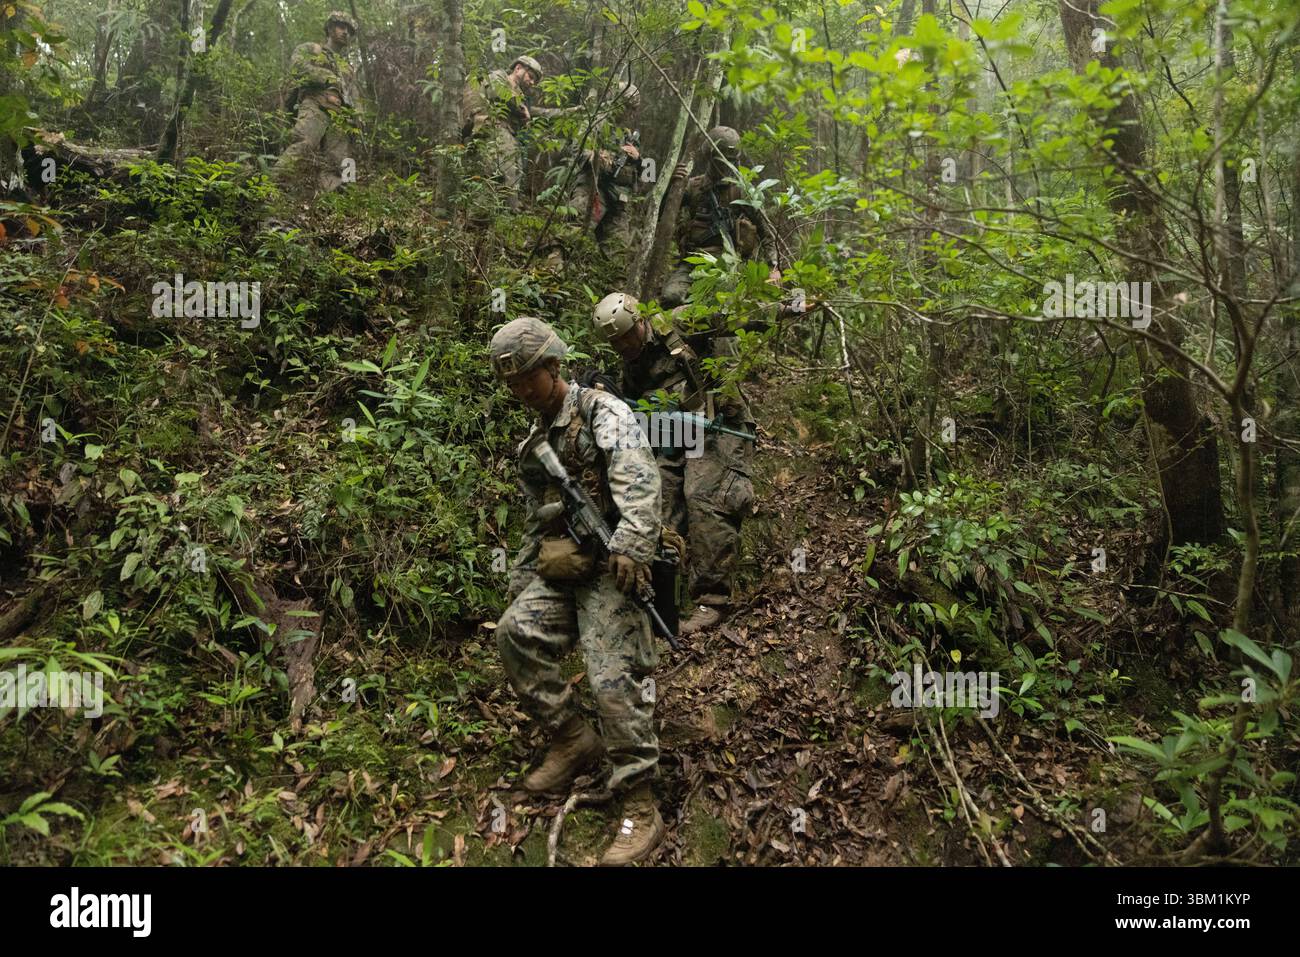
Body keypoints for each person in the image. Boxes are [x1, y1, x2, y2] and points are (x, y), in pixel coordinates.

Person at [490, 316, 667, 865]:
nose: (522, 390)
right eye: (513, 383)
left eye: (528, 378)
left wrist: (632, 547)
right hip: (565, 567)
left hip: (615, 565)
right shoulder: (534, 443)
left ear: (552, 366)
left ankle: (639, 799)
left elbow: (639, 480)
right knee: (515, 633)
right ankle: (572, 737)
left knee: (610, 674)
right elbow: (533, 523)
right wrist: (521, 583)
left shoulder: (601, 411)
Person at [590, 292, 758, 636]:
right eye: (616, 344)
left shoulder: (680, 321)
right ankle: (663, 600)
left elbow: (737, 314)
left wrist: (788, 304)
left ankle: (711, 600)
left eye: (628, 337)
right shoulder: (629, 361)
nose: (624, 347)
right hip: (674, 432)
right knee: (656, 505)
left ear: (641, 322)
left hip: (717, 422)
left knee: (704, 496)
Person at [660, 125, 780, 308]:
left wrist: (773, 266)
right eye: (721, 160)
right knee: (670, 299)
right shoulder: (693, 186)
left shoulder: (743, 191)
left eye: (730, 160)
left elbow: (767, 232)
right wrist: (670, 186)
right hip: (692, 263)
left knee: (727, 312)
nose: (726, 165)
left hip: (729, 267)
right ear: (709, 157)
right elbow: (661, 214)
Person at [462, 54, 574, 209]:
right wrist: (522, 111)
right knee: (502, 174)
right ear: (518, 68)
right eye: (531, 76)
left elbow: (542, 113)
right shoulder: (497, 77)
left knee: (512, 175)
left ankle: (502, 216)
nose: (532, 82)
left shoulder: (520, 96)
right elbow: (497, 92)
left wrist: (572, 112)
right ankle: (488, 217)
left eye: (534, 80)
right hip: (493, 130)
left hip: (506, 135)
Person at [272, 12, 360, 195]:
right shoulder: (312, 49)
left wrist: (358, 115)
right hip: (315, 104)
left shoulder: (348, 67)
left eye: (349, 31)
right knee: (303, 145)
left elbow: (354, 93)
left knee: (338, 162)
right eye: (341, 27)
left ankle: (331, 204)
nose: (346, 33)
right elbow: (297, 67)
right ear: (329, 28)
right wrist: (326, 77)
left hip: (341, 117)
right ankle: (269, 189)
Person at [564, 82, 643, 258]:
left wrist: (638, 158)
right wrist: (601, 157)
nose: (629, 113)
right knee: (571, 235)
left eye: (633, 109)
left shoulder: (629, 135)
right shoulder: (596, 122)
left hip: (618, 198)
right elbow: (577, 149)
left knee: (618, 251)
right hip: (593, 187)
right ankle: (553, 270)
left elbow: (648, 173)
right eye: (627, 107)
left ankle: (614, 283)